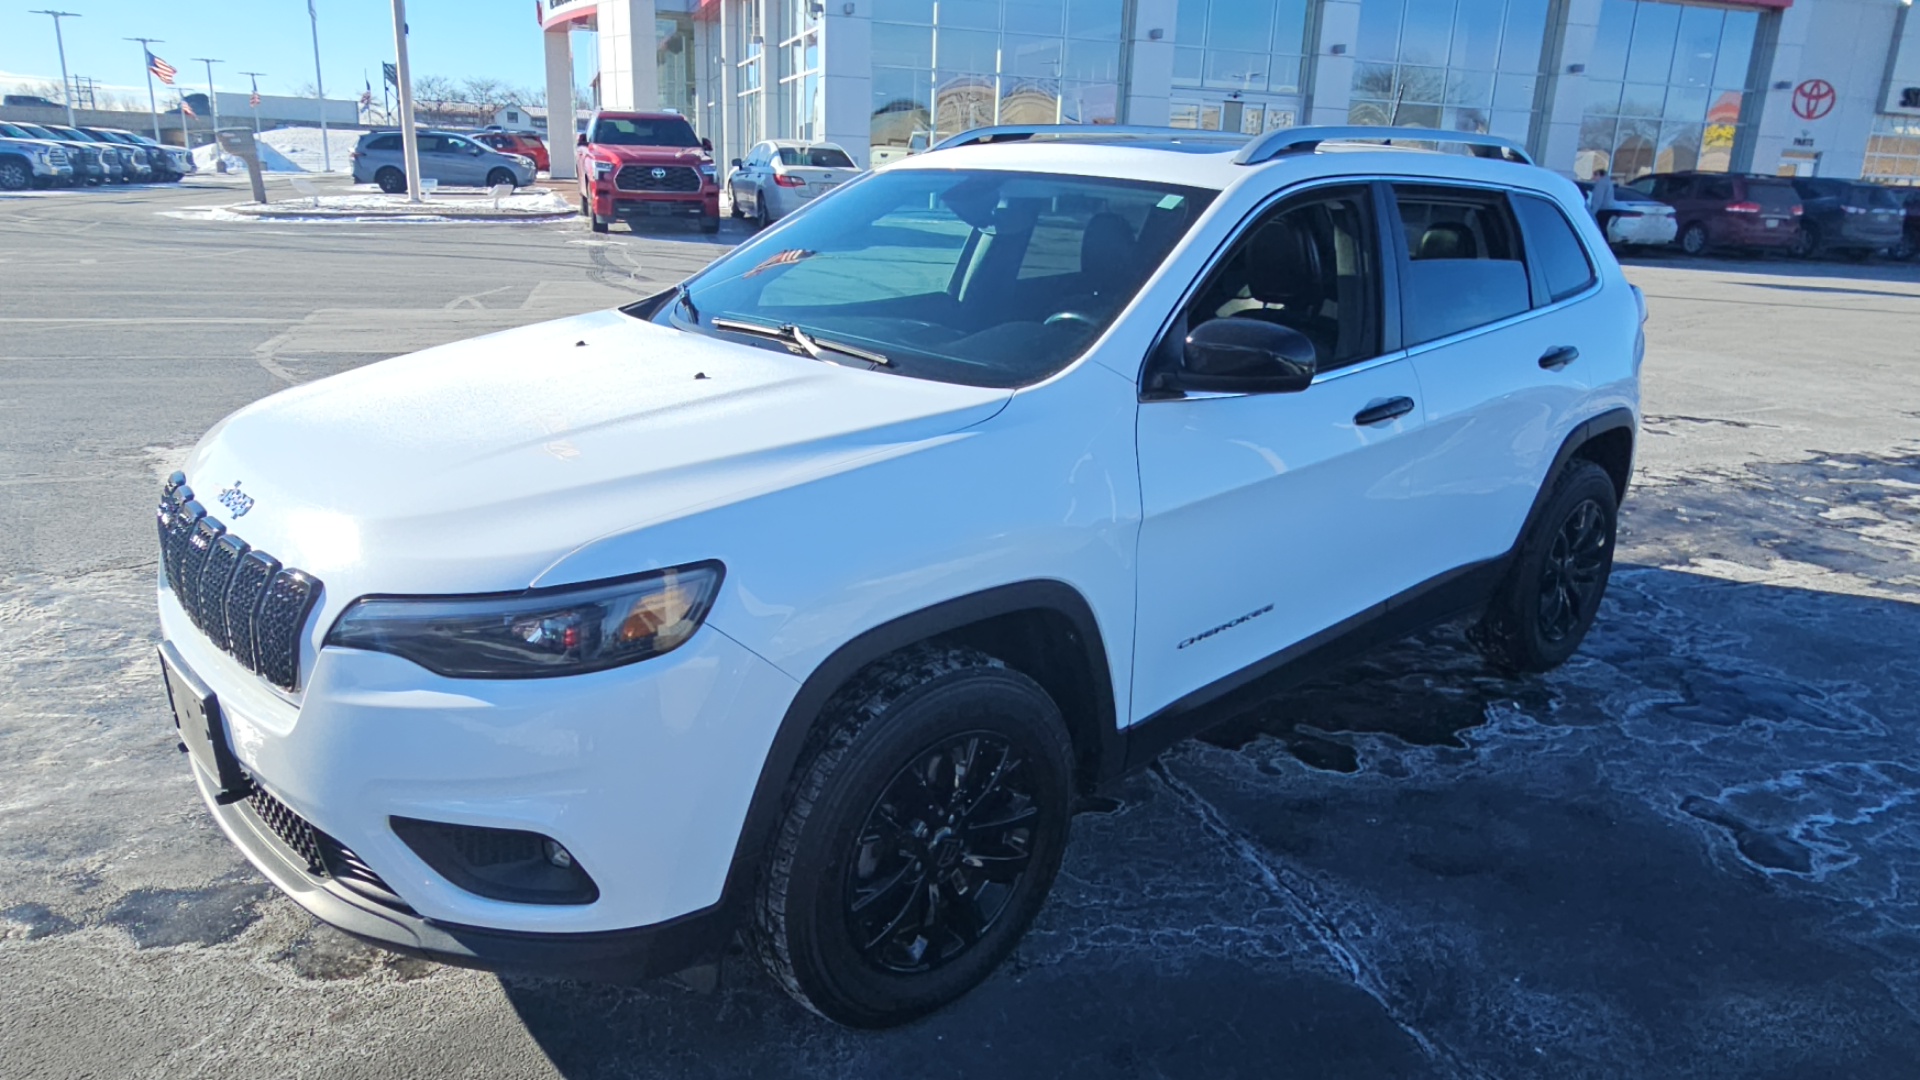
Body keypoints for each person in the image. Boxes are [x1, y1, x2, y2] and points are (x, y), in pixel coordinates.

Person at [1587, 166, 1620, 238]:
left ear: (1600, 175)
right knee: (1603, 228)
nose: (1594, 177)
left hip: (1602, 210)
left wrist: (1592, 213)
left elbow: (1598, 200)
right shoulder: (1608, 183)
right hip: (1608, 209)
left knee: (1599, 229)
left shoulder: (1601, 184)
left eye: (1595, 175)